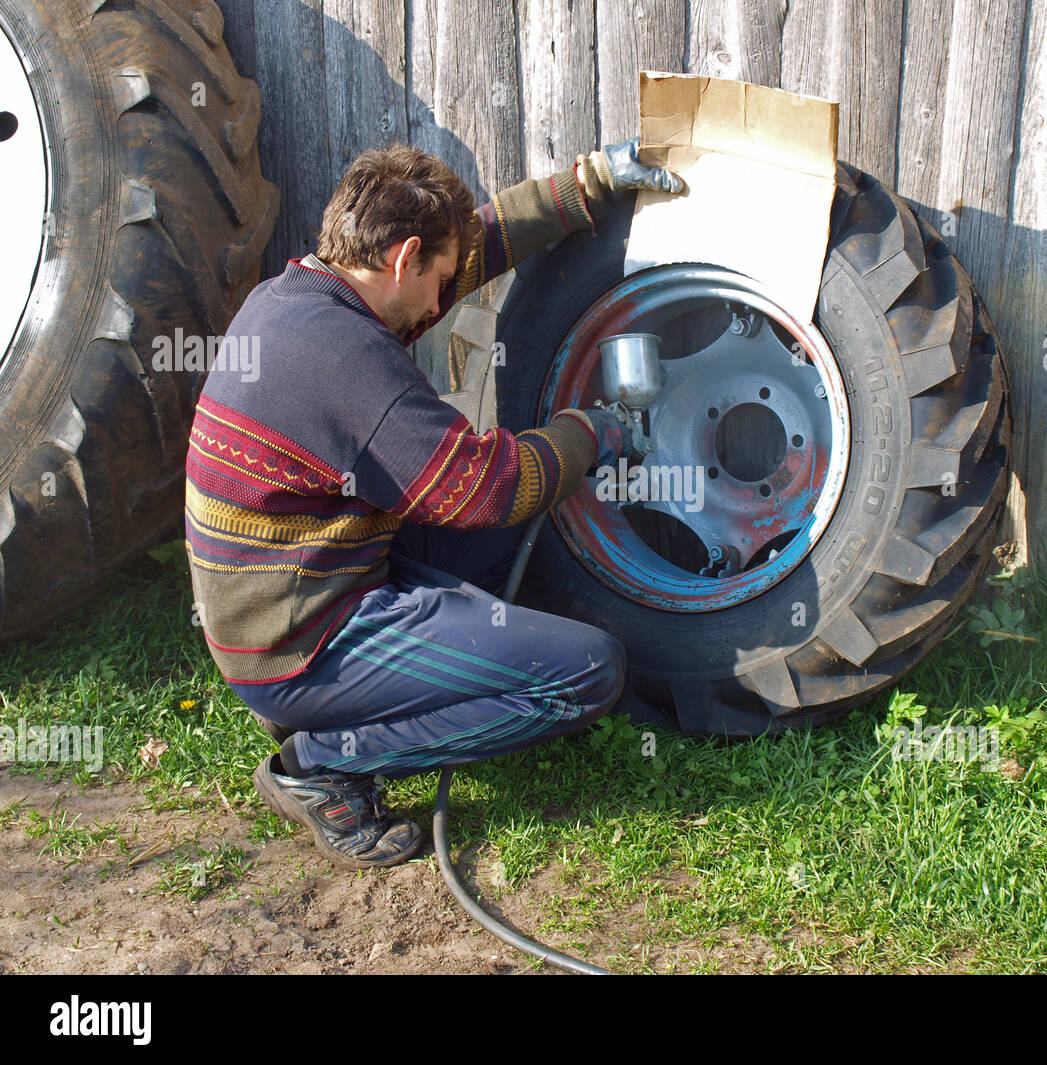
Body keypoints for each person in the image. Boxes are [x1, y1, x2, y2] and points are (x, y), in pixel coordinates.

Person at [184, 137, 684, 869]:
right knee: (586, 673)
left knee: (527, 534)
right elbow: (490, 488)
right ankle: (325, 761)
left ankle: (377, 690)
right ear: (401, 258)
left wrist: (592, 181)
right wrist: (588, 431)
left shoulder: (301, 296)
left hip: (316, 573)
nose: (442, 300)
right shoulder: (350, 363)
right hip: (302, 643)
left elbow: (468, 251)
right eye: (437, 280)